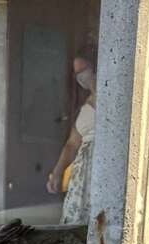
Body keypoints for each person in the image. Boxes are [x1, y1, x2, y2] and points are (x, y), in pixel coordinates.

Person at [47, 57, 97, 226]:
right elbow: (72, 144)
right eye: (77, 74)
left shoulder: (114, 95)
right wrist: (57, 172)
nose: (81, 76)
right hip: (83, 173)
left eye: (84, 70)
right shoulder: (85, 103)